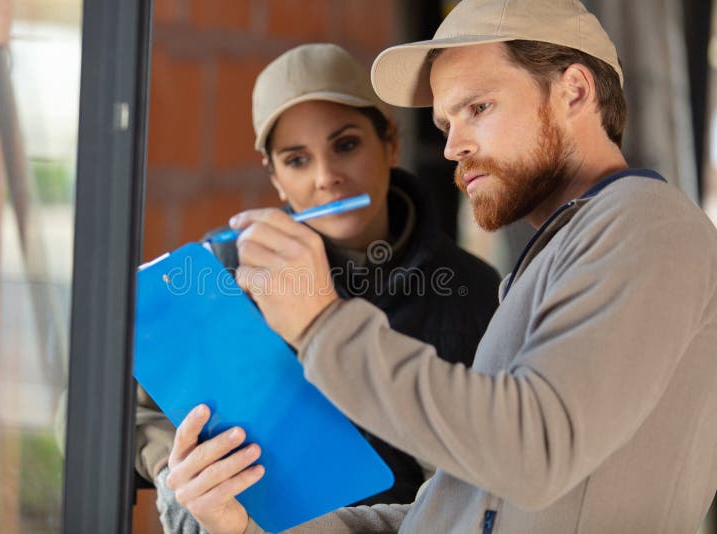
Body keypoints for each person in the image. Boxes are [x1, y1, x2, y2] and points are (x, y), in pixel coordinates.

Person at [165, 0, 717, 532]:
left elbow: (534, 454)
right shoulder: (560, 252)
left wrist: (320, 325)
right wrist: (249, 528)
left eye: (477, 108)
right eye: (445, 122)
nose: (453, 147)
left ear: (573, 91)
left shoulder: (647, 224)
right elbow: (452, 511)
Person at [135, 43, 501, 532]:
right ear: (276, 179)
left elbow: (482, 484)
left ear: (390, 143)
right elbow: (120, 410)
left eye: (346, 145)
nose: (327, 177)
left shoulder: (473, 290)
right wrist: (179, 482)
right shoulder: (218, 273)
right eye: (297, 160)